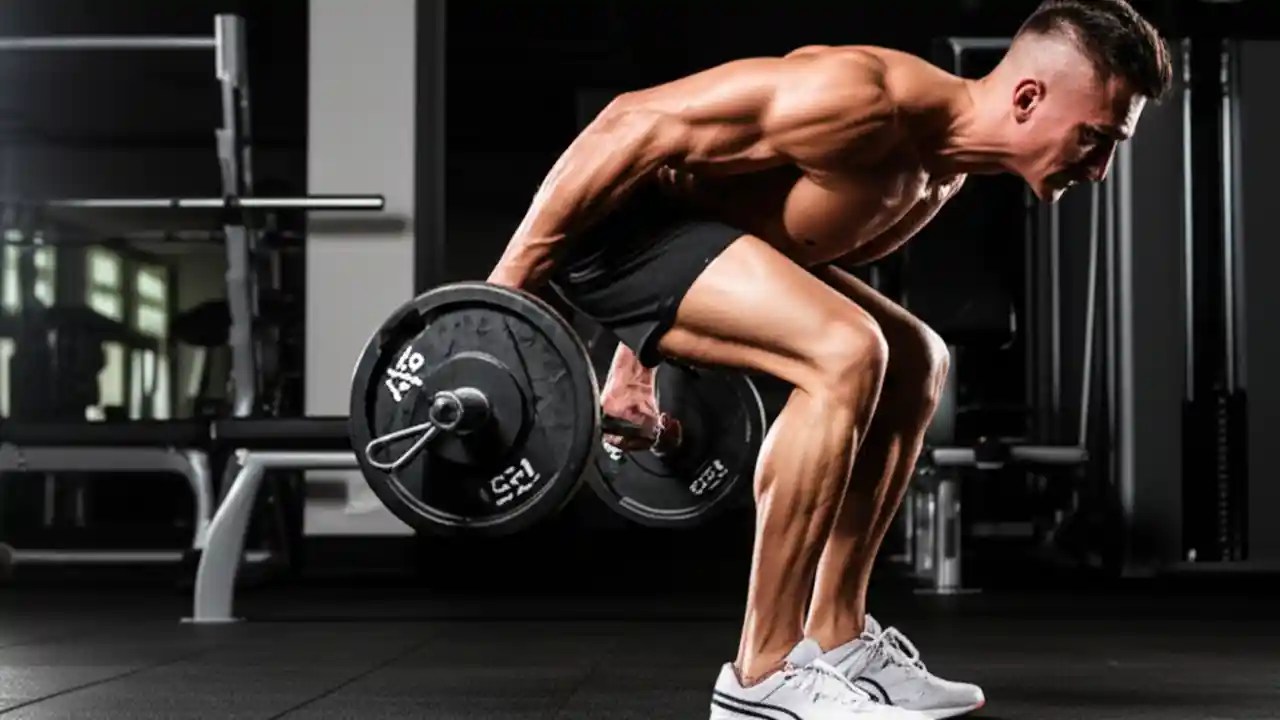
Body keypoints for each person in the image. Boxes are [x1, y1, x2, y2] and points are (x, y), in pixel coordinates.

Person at [487, 1, 1171, 718]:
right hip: (613, 242)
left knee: (917, 360)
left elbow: (742, 227)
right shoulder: (861, 99)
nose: (1098, 170)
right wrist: (502, 304)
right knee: (846, 351)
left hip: (681, 246)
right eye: (1096, 138)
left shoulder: (942, 173)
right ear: (1029, 98)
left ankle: (837, 637)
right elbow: (633, 123)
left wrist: (636, 362)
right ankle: (762, 674)